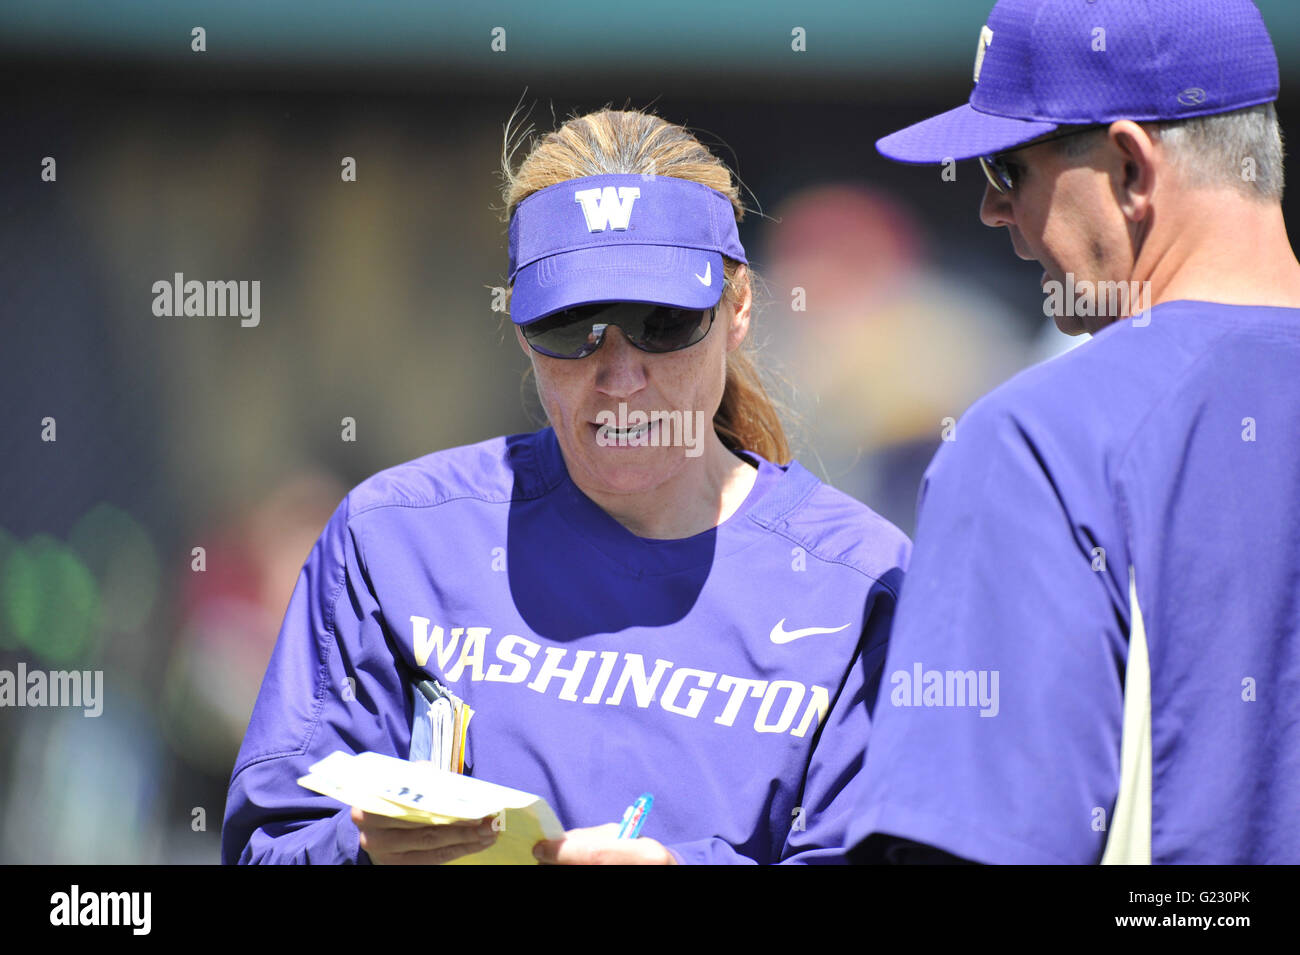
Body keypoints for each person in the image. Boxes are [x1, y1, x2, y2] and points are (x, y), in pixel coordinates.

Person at [221, 107, 910, 865]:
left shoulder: (861, 585)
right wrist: (368, 853)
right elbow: (270, 844)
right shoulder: (395, 541)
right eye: (571, 328)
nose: (620, 379)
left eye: (662, 321)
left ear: (738, 306)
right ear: (520, 328)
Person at [848, 0, 1300, 864]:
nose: (991, 210)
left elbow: (977, 850)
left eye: (1007, 168)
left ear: (1131, 168)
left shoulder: (1039, 440)